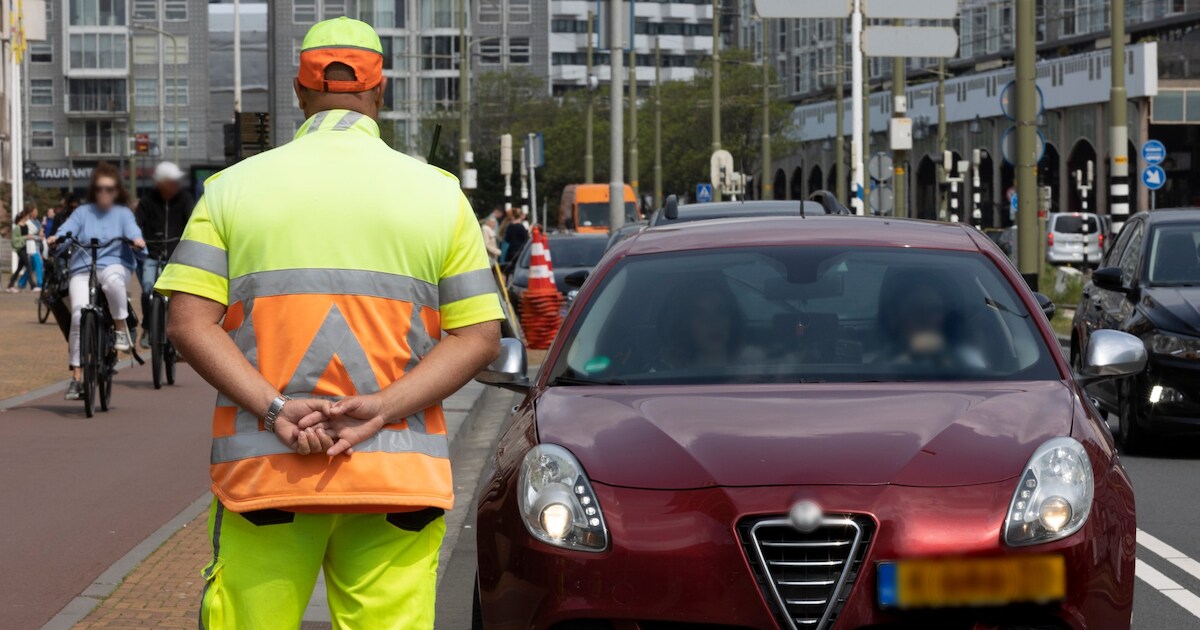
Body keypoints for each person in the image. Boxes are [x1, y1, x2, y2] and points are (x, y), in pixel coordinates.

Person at [156, 17, 502, 629]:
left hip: (268, 476)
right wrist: (382, 408)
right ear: (380, 90)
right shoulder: (440, 195)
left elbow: (187, 323)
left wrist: (275, 410)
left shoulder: (231, 190)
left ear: (299, 90)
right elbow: (478, 337)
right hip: (396, 480)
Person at [49, 163, 145, 400]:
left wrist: (136, 241)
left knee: (113, 282)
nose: (104, 193)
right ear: (93, 190)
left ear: (116, 191)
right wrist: (56, 238)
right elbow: (66, 230)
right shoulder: (82, 213)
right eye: (100, 188)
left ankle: (120, 329)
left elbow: (133, 231)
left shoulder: (123, 214)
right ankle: (76, 377)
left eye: (109, 189)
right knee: (78, 316)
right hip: (82, 268)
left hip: (114, 263)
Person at [136, 161, 195, 347]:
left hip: (177, 255)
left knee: (180, 295)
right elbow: (136, 224)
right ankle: (148, 327)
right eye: (171, 181)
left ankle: (179, 335)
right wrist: (136, 238)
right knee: (147, 290)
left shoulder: (185, 199)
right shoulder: (147, 201)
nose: (176, 185)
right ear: (160, 183)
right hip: (152, 255)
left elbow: (193, 222)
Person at [6, 210, 35, 292]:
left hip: (25, 248)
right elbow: (14, 240)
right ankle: (33, 285)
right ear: (22, 217)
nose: (28, 217)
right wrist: (26, 237)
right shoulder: (17, 228)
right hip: (20, 249)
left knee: (19, 268)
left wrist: (30, 237)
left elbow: (27, 236)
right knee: (29, 266)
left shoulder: (26, 226)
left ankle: (10, 285)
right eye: (26, 215)